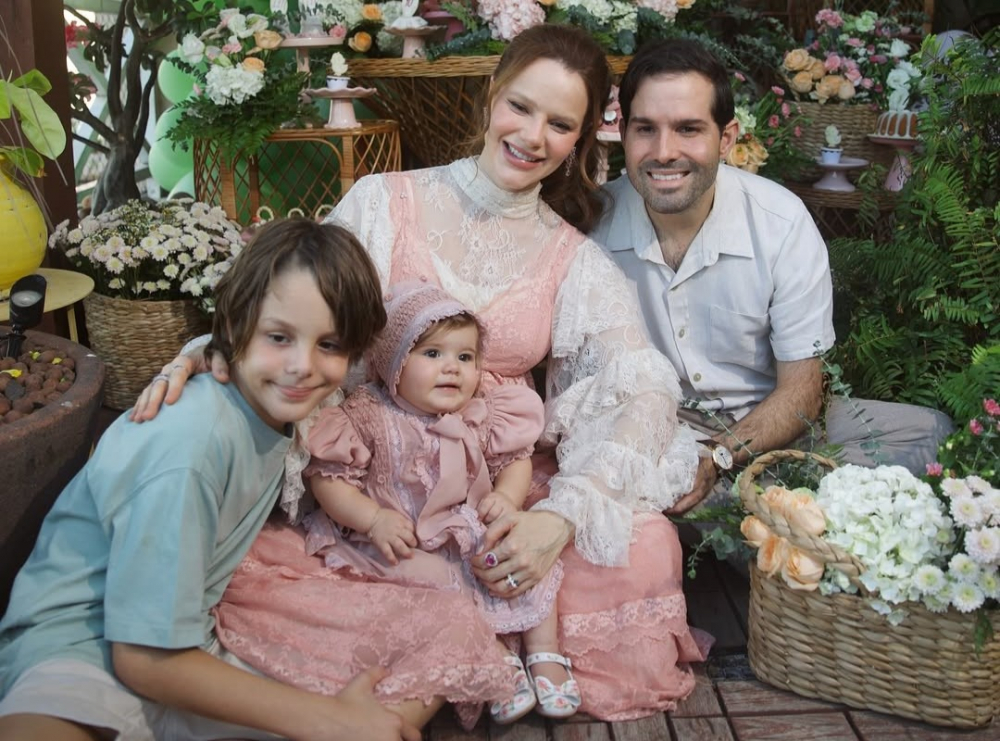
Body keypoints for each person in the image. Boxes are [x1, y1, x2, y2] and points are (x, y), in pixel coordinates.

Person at [134, 23, 710, 724]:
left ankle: (493, 627)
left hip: (486, 481)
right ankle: (477, 639)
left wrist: (558, 517)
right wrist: (215, 346)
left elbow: (642, 383)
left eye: (560, 124)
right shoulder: (387, 201)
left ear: (582, 137)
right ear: (492, 94)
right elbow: (299, 296)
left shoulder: (571, 256)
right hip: (386, 472)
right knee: (295, 555)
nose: (532, 136)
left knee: (646, 542)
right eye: (521, 107)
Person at [0, 219, 421, 741]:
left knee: (409, 680)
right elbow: (144, 658)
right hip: (80, 648)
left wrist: (210, 346)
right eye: (278, 337)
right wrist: (327, 720)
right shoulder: (190, 448)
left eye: (330, 345)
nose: (303, 366)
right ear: (238, 324)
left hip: (187, 640)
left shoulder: (273, 398)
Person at [591, 38, 955, 512]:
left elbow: (804, 388)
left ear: (726, 138)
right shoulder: (593, 226)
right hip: (652, 436)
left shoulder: (780, 222)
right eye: (646, 129)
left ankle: (755, 511)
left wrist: (719, 457)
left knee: (931, 433)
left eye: (688, 129)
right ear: (622, 131)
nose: (664, 151)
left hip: (773, 426)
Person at [291, 281, 579, 724]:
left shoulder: (479, 410)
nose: (452, 369)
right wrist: (372, 520)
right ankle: (490, 658)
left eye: (465, 358)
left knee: (519, 559)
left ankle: (544, 651)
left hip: (465, 526)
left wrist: (506, 497)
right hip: (400, 539)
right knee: (442, 590)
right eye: (432, 354)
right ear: (394, 363)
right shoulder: (368, 414)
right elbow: (331, 480)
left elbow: (515, 459)